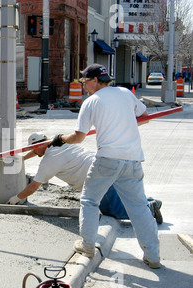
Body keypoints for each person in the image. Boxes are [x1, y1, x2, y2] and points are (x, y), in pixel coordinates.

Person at [46, 64, 161, 269]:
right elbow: (143, 117)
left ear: (95, 81)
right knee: (139, 208)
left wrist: (60, 139)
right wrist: (125, 123)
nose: (83, 86)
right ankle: (153, 256)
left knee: (90, 200)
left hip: (108, 159)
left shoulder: (92, 102)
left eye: (84, 82)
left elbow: (78, 137)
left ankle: (88, 245)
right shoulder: (125, 93)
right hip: (133, 159)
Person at [6, 132, 163, 225]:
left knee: (113, 210)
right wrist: (22, 159)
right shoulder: (59, 142)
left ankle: (149, 209)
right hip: (104, 164)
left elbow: (33, 186)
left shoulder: (49, 162)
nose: (33, 151)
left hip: (96, 178)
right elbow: (37, 151)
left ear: (38, 146)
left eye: (32, 148)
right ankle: (149, 201)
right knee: (123, 196)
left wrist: (15, 199)